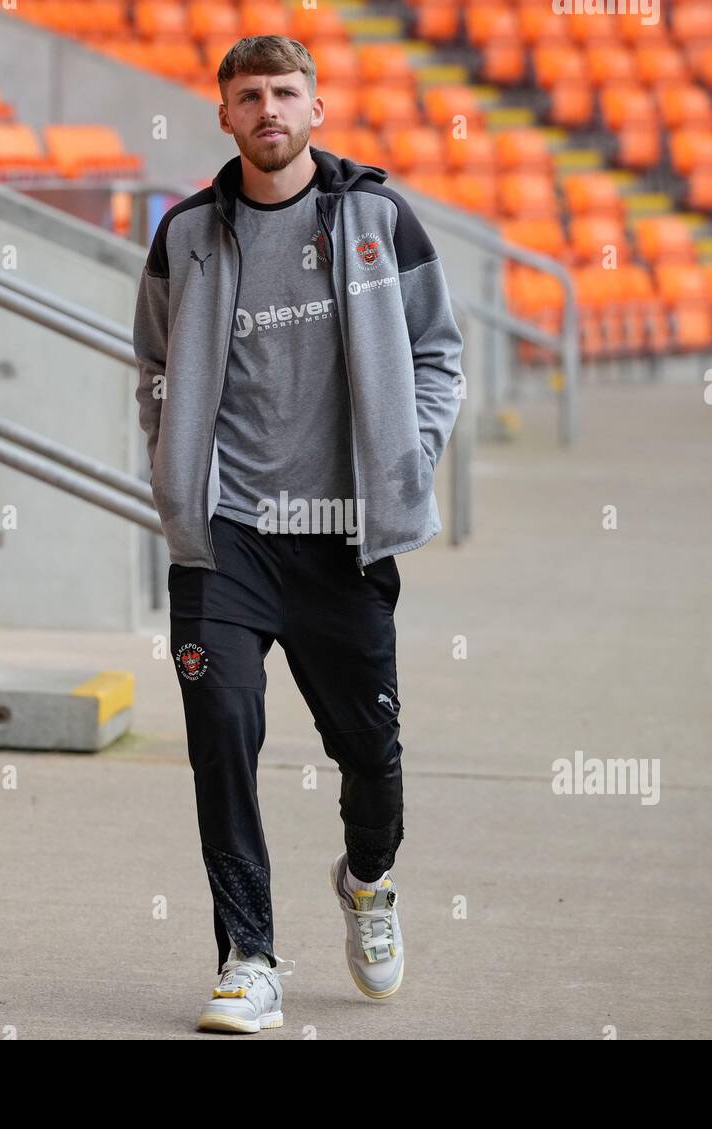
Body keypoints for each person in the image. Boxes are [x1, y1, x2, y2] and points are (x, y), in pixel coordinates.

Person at [132, 34, 464, 1034]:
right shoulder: (186, 233)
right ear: (225, 116)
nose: (267, 109)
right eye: (247, 95)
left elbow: (437, 354)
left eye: (285, 91)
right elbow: (151, 364)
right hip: (225, 537)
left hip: (343, 539)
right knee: (222, 731)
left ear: (316, 107)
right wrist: (174, 467)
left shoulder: (377, 218)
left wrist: (409, 456)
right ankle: (248, 956)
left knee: (372, 754)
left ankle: (366, 879)